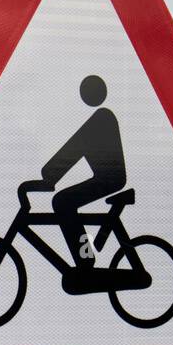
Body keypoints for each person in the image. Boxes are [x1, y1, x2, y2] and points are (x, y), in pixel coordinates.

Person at [36, 75, 126, 278]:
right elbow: (76, 147)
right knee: (63, 202)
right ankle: (86, 257)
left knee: (62, 202)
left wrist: (50, 174)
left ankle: (86, 261)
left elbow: (75, 147)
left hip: (110, 179)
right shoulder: (101, 117)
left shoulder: (102, 118)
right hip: (106, 177)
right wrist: (51, 175)